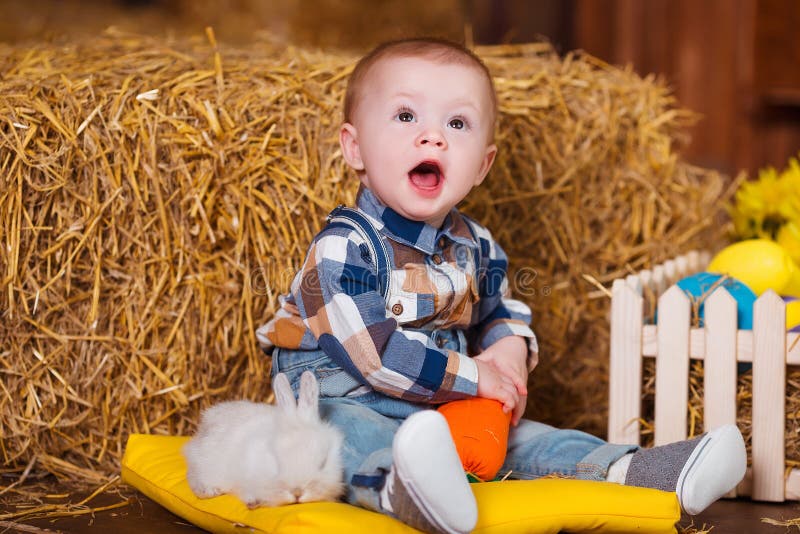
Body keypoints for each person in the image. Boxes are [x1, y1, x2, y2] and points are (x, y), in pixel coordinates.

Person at [257, 38, 746, 534]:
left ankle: (645, 472)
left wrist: (510, 352)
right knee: (340, 434)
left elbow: (498, 311)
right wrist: (476, 376)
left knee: (527, 439)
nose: (433, 137)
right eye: (406, 116)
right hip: (349, 397)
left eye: (457, 123)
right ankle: (403, 487)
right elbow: (375, 356)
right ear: (355, 148)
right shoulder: (343, 247)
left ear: (482, 166)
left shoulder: (475, 245)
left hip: (441, 404)